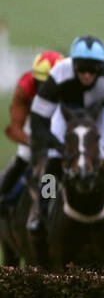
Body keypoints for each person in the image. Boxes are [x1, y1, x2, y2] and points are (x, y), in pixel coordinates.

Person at [27, 36, 104, 233]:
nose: (87, 75)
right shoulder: (59, 73)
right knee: (53, 161)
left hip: (100, 116)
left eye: (93, 69)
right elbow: (38, 120)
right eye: (82, 69)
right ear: (73, 65)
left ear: (102, 67)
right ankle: (43, 209)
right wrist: (59, 147)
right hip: (66, 117)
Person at [0, 51, 61, 204]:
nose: (44, 89)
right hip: (34, 124)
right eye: (40, 83)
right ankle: (5, 195)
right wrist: (32, 142)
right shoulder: (25, 87)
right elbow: (15, 128)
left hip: (61, 124)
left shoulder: (71, 85)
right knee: (27, 157)